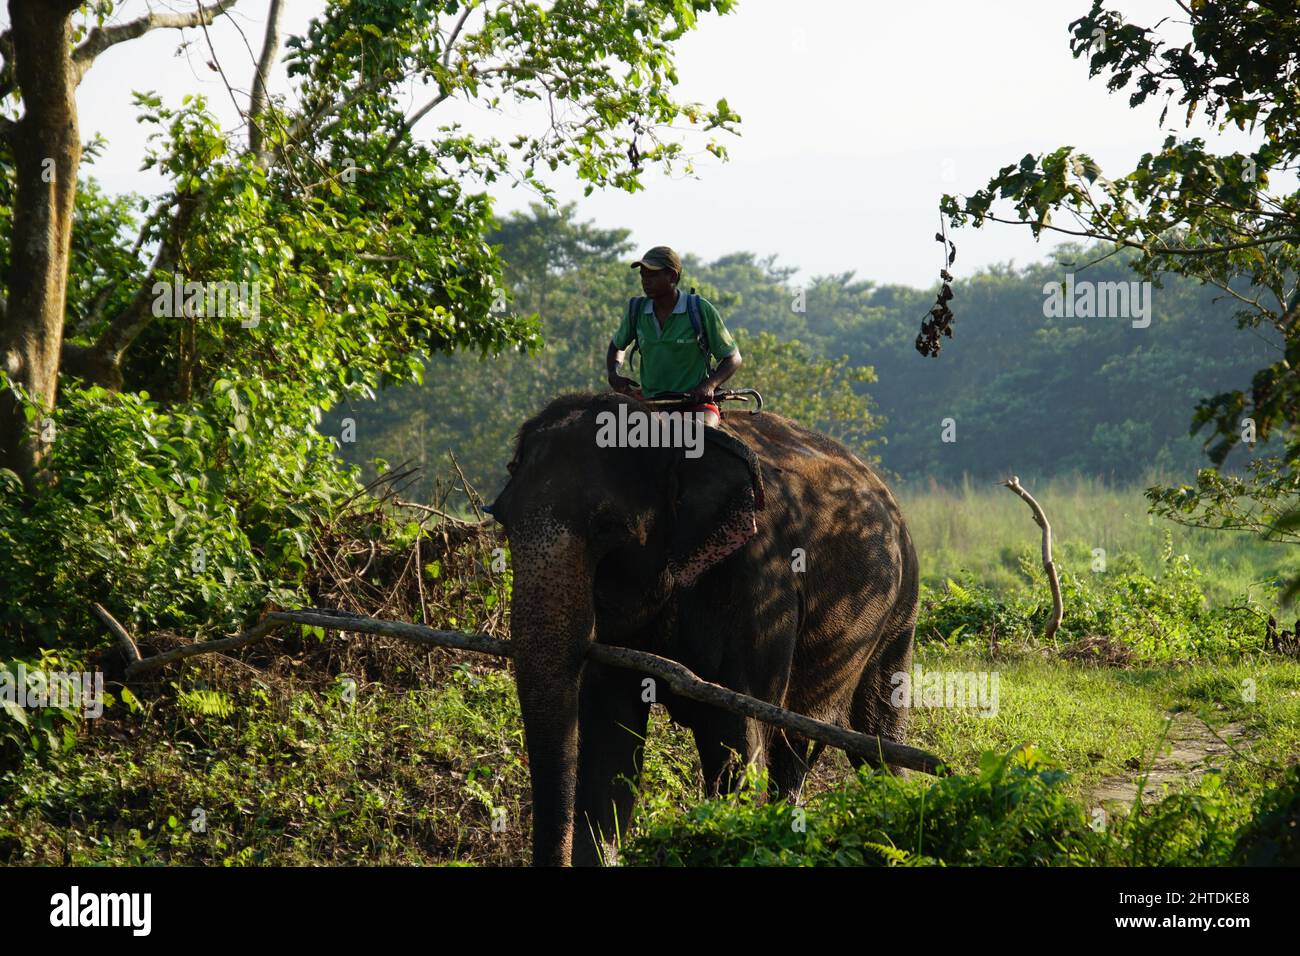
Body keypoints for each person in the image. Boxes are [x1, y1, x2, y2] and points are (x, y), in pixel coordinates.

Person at [605, 246, 742, 428]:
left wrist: (709, 385)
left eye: (652, 275)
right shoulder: (636, 311)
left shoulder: (699, 310)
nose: (646, 281)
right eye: (643, 275)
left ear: (672, 276)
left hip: (695, 406)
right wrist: (613, 374)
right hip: (650, 406)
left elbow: (733, 358)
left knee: (700, 438)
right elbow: (617, 346)